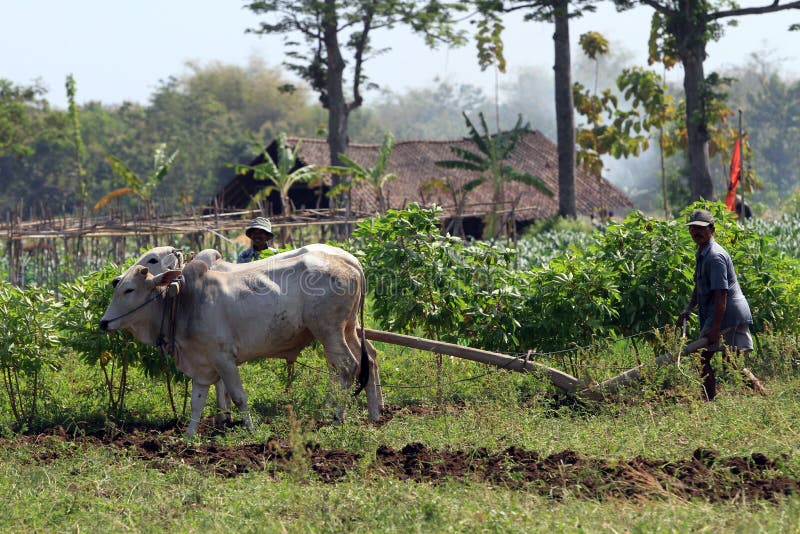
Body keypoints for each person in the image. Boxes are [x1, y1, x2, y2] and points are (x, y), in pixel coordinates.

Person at [677, 209, 753, 400]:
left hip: (728, 313)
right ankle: (761, 393)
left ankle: (709, 401)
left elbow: (721, 294)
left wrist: (715, 328)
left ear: (712, 229)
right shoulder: (702, 251)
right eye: (693, 228)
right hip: (724, 312)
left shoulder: (715, 256)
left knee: (702, 358)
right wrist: (688, 309)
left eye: (701, 228)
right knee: (731, 363)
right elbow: (699, 285)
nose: (696, 232)